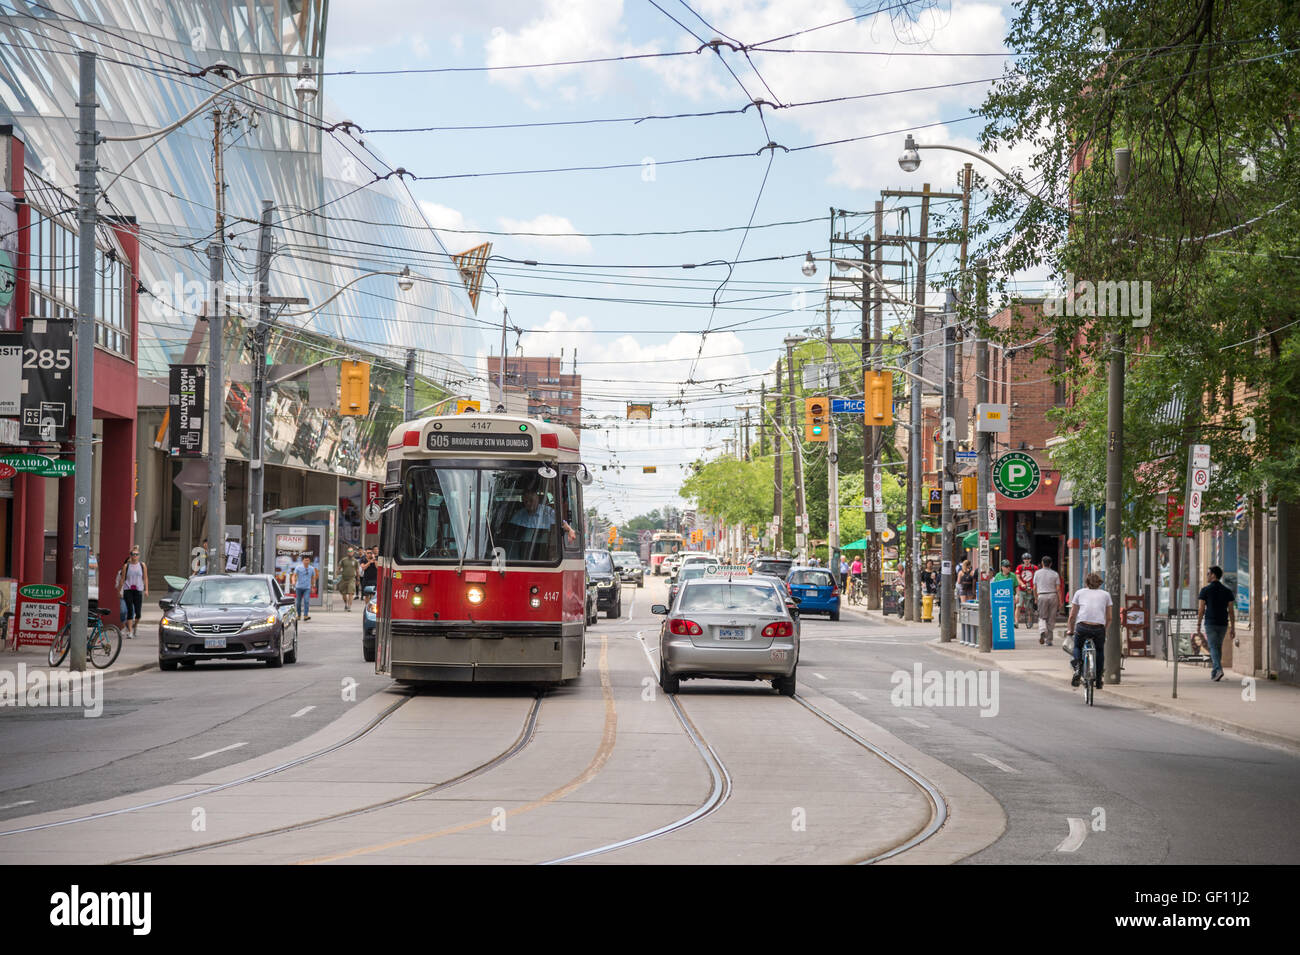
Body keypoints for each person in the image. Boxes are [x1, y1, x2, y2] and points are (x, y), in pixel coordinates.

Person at [1066, 571, 1111, 689]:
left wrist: (1070, 630)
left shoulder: (1079, 593)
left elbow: (1072, 616)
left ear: (1086, 583)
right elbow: (1109, 618)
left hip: (1082, 627)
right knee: (1100, 650)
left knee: (1077, 647)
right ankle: (1099, 679)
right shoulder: (1106, 595)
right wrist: (1104, 630)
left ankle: (1077, 668)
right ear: (1099, 583)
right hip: (1098, 628)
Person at [1196, 565, 1236, 681]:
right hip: (1223, 623)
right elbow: (1231, 611)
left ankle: (1218, 669)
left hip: (1211, 623)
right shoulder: (1227, 591)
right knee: (1217, 647)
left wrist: (1198, 624)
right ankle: (1214, 673)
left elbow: (1201, 609)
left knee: (1213, 647)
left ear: (1213, 575)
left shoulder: (1205, 590)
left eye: (1208, 574)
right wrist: (1232, 627)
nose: (1207, 576)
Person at [116, 545, 148, 638]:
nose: (135, 556)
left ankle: (135, 626)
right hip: (128, 590)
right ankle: (130, 631)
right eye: (133, 554)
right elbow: (122, 579)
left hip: (138, 590)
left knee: (138, 613)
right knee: (130, 610)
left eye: (136, 554)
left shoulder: (142, 565)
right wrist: (119, 590)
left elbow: (145, 578)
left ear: (139, 555)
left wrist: (146, 589)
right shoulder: (126, 566)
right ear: (130, 555)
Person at [1033, 555, 1062, 646]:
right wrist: (1060, 601)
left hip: (1042, 595)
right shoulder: (1055, 574)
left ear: (1042, 563)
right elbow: (1058, 589)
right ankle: (1048, 640)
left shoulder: (1037, 573)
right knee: (1051, 618)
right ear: (1051, 564)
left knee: (1042, 616)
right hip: (1053, 596)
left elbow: (1034, 587)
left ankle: (1042, 630)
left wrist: (1036, 598)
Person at [290, 553, 317, 621]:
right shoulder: (298, 567)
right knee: (298, 602)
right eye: (305, 560)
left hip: (307, 588)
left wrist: (313, 586)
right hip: (299, 587)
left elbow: (313, 578)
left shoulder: (311, 568)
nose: (306, 562)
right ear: (303, 561)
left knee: (306, 601)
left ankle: (305, 615)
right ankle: (298, 615)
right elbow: (294, 575)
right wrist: (293, 581)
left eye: (307, 560)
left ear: (309, 561)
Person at [1014, 552, 1038, 628]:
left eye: (1028, 559)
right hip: (1021, 589)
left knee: (1029, 607)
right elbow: (1017, 577)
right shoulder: (1020, 567)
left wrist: (1034, 587)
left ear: (1030, 559)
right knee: (1019, 605)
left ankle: (1030, 622)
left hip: (1030, 589)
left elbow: (1036, 578)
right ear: (1023, 560)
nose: (1026, 560)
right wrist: (1022, 584)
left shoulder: (1034, 568)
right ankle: (1016, 622)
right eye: (1025, 559)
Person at [338, 546, 359, 612]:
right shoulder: (343, 560)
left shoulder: (355, 561)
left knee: (351, 592)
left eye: (351, 551)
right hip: (344, 579)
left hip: (352, 579)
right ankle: (346, 604)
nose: (350, 553)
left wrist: (358, 579)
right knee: (343, 593)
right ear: (347, 552)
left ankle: (349, 606)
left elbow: (357, 570)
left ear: (353, 553)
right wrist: (337, 573)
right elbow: (339, 568)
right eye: (349, 551)